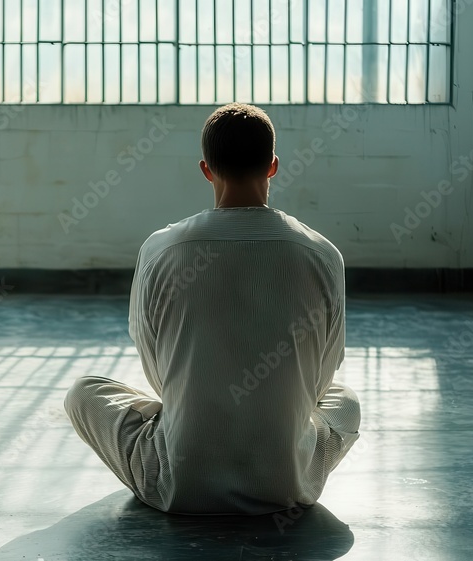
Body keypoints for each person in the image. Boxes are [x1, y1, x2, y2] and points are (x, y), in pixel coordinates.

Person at [64, 103, 361, 515]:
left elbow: (157, 367)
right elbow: (324, 372)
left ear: (206, 169)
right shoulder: (322, 254)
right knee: (345, 399)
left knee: (84, 392)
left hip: (180, 483)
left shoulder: (161, 248)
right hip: (285, 481)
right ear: (273, 166)